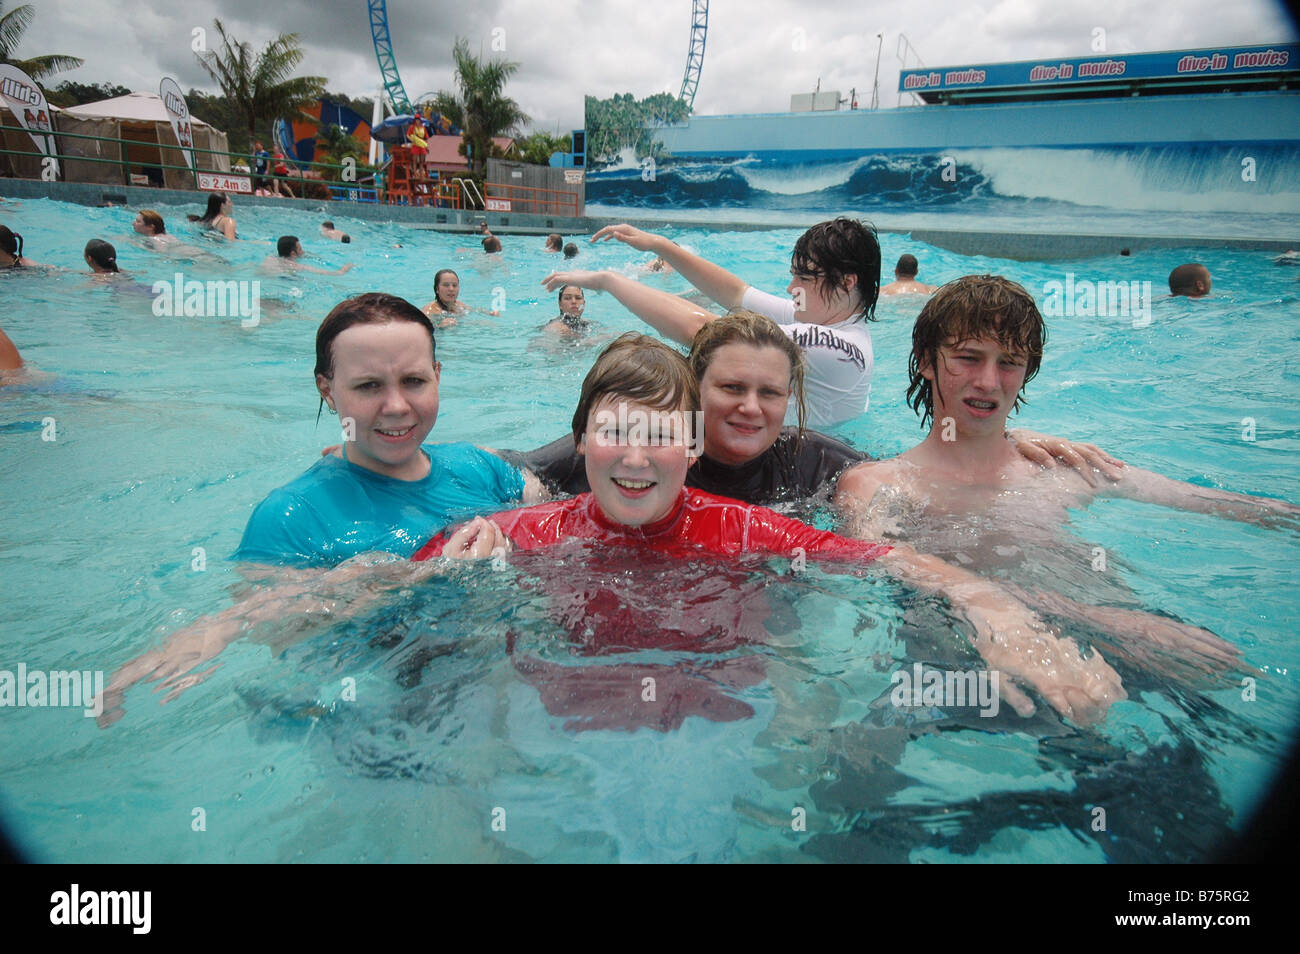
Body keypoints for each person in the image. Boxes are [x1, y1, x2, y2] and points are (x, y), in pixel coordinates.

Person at [110, 332, 1122, 726]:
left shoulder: (742, 525)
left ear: (691, 448)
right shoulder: (511, 530)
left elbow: (900, 558)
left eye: (658, 439)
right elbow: (363, 585)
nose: (635, 461)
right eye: (611, 437)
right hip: (557, 714)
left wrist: (1004, 614)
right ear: (578, 444)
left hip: (724, 705)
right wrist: (216, 627)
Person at [835, 275, 1294, 672]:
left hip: (1142, 639)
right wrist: (1097, 620)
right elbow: (879, 568)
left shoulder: (1063, 467)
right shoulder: (876, 484)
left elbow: (1211, 504)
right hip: (978, 653)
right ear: (925, 361)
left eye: (1009, 363)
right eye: (969, 358)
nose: (989, 382)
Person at [517, 309, 1121, 507]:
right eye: (731, 388)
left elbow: (916, 472)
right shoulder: (635, 450)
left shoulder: (815, 464)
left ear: (792, 400)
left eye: (771, 393)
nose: (751, 408)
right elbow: (503, 470)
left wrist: (1000, 440)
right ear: (693, 387)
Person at [231, 292, 543, 568]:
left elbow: (556, 517)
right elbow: (274, 627)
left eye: (414, 381)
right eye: (368, 386)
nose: (396, 407)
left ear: (437, 376)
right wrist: (426, 576)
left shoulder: (479, 466)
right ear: (327, 390)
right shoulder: (292, 518)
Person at [569, 218, 881, 428]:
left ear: (845, 282)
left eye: (803, 277)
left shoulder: (837, 347)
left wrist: (609, 281)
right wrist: (660, 245)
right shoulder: (822, 319)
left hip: (795, 477)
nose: (791, 288)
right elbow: (736, 293)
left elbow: (705, 333)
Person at [421, 268, 498, 327]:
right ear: (437, 289)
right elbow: (422, 331)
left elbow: (474, 310)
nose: (451, 289)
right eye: (446, 285)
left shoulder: (459, 305)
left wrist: (489, 313)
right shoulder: (429, 312)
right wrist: (440, 326)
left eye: (454, 285)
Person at [269, 235, 354, 275]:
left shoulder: (270, 258)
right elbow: (336, 274)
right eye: (300, 249)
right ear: (293, 254)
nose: (303, 252)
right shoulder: (297, 266)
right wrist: (346, 267)